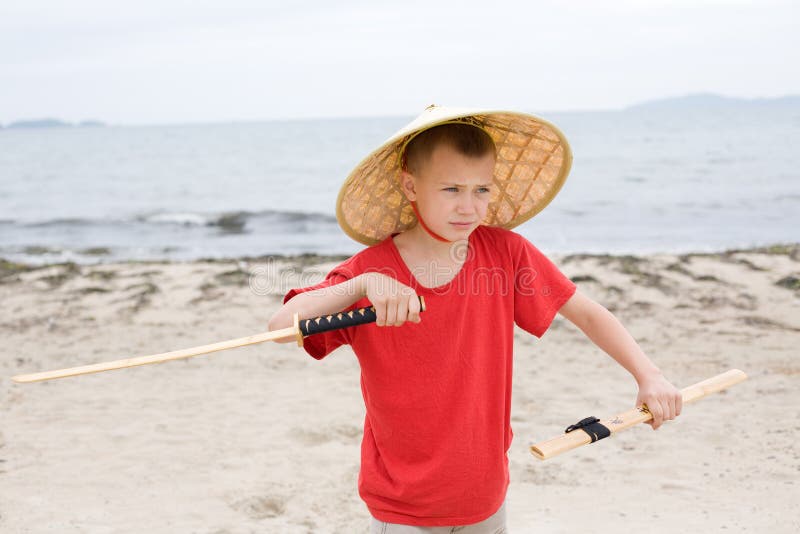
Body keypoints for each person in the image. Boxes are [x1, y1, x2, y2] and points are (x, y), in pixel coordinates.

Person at [268, 105, 682, 532]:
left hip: (485, 496)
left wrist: (649, 376)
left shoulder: (507, 253)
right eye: (451, 189)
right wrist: (362, 284)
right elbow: (280, 329)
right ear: (411, 186)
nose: (468, 207)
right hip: (403, 505)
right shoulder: (369, 274)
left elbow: (588, 314)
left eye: (481, 189)